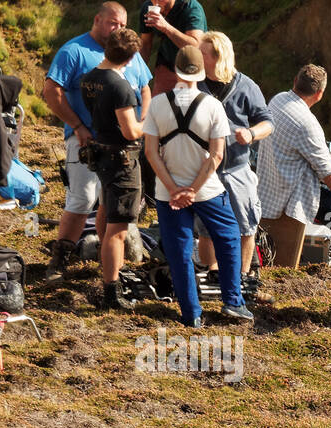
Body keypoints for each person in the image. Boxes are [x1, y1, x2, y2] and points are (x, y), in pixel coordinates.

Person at [42, 3, 151, 281]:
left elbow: (145, 86)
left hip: (125, 145)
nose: (119, 29)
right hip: (87, 139)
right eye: (113, 23)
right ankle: (60, 258)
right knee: (83, 198)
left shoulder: (128, 51)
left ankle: (109, 258)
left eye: (123, 24)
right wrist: (77, 126)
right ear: (97, 19)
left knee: (108, 201)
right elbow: (51, 91)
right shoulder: (74, 51)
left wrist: (144, 120)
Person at [142, 45, 251, 325]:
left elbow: (151, 153)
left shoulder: (157, 104)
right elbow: (217, 155)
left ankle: (191, 315)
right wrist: (192, 189)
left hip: (168, 193)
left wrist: (174, 188)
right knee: (228, 238)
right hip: (207, 189)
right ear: (200, 71)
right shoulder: (213, 105)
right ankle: (233, 302)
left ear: (176, 70)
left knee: (179, 252)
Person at [257, 65, 331, 270]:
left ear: (294, 82)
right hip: (294, 190)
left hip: (272, 179)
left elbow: (311, 150)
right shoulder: (307, 123)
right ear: (319, 94)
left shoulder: (278, 99)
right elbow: (330, 177)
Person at [194, 31, 272, 292]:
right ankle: (212, 274)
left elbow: (267, 122)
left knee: (246, 225)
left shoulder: (246, 85)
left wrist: (251, 133)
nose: (197, 56)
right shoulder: (194, 85)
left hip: (237, 170)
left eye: (202, 53)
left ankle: (242, 277)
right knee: (205, 228)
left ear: (217, 56)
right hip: (205, 170)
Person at [79, 27, 148, 310]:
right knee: (118, 229)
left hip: (102, 153)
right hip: (121, 159)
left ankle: (108, 270)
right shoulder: (120, 87)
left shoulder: (89, 78)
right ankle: (112, 290)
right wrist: (149, 122)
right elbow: (131, 130)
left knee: (106, 209)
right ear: (131, 58)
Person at [138, 0, 206, 94]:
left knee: (191, 104)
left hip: (194, 68)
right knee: (159, 104)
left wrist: (166, 27)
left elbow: (195, 46)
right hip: (167, 63)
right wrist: (138, 72)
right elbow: (145, 43)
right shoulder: (148, 7)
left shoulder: (190, 7)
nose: (156, 2)